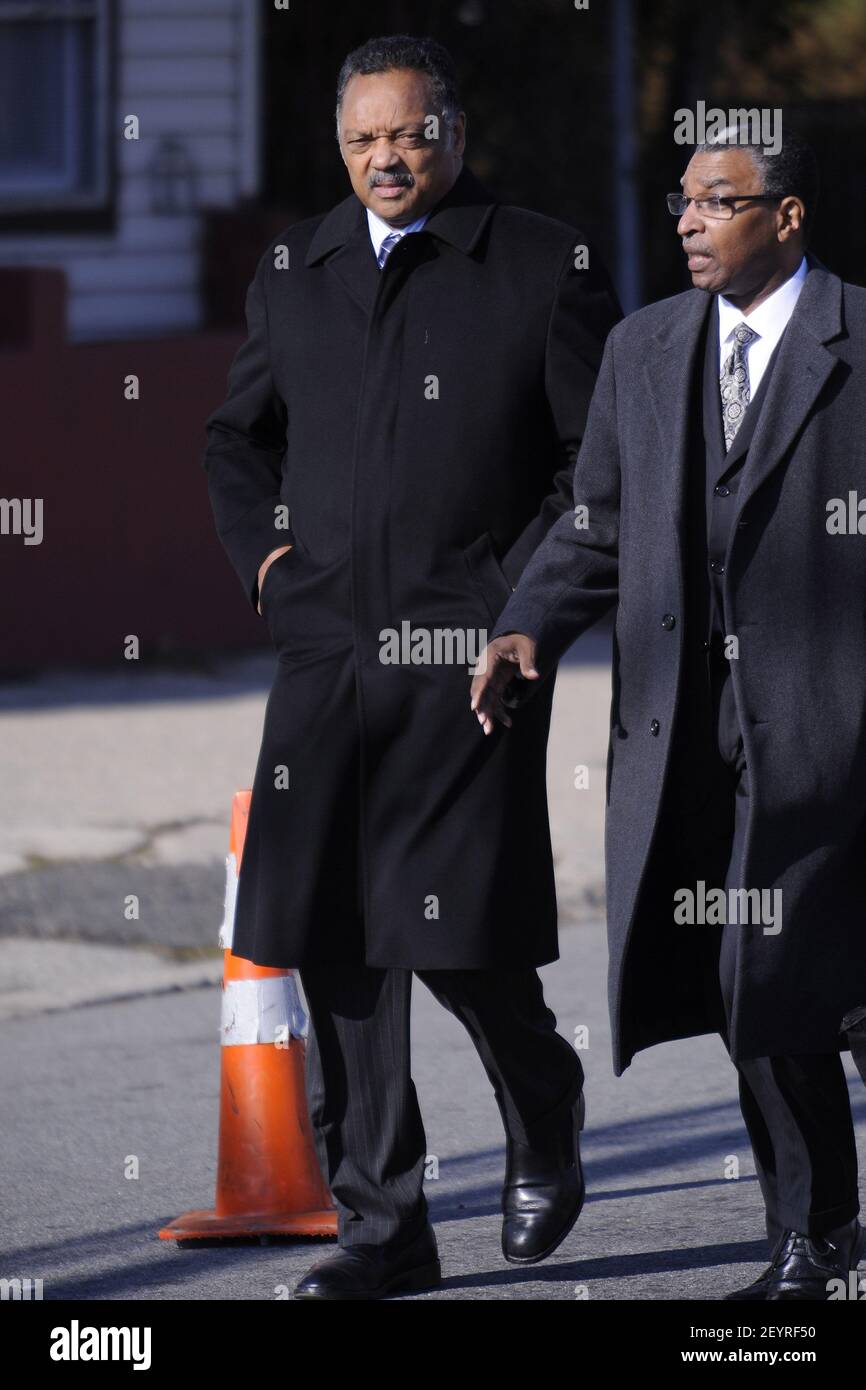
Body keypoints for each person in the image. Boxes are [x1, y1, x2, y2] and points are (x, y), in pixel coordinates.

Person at [202, 33, 620, 1300]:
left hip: (472, 657)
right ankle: (385, 1231)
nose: (385, 158)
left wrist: (520, 609)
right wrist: (273, 569)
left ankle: (539, 1095)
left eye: (408, 133)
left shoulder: (542, 263)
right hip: (326, 653)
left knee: (455, 930)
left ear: (453, 131)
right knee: (334, 933)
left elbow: (591, 473)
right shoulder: (298, 265)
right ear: (340, 147)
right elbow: (236, 441)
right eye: (362, 139)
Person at [472, 125, 866, 1301]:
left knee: (826, 978)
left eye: (718, 202)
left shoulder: (857, 341)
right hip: (690, 728)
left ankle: (820, 1229)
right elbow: (595, 523)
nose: (688, 222)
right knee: (746, 975)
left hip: (837, 728)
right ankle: (811, 1234)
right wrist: (525, 625)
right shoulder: (645, 349)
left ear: (786, 217)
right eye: (680, 201)